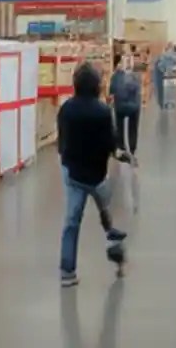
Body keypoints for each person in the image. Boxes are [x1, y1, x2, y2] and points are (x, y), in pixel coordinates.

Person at [57, 61, 127, 287]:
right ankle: (113, 243)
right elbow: (110, 144)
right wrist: (120, 154)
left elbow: (61, 142)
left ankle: (67, 272)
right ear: (96, 85)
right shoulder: (103, 111)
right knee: (105, 209)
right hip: (97, 175)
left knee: (72, 222)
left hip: (73, 174)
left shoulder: (66, 109)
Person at [109, 54, 141, 157]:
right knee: (133, 127)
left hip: (120, 106)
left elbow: (111, 91)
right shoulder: (136, 76)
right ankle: (132, 148)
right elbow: (138, 90)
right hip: (134, 107)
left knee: (119, 126)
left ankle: (121, 146)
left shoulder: (115, 76)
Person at [152, 45, 176, 111]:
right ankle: (165, 104)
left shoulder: (164, 56)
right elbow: (162, 66)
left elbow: (161, 66)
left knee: (161, 90)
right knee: (167, 90)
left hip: (163, 75)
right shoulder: (169, 56)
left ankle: (162, 104)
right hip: (165, 75)